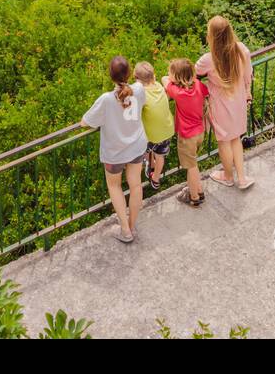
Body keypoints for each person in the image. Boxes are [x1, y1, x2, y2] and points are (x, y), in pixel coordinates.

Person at [80, 55, 147, 243]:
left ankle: (125, 231)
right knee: (135, 185)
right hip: (136, 146)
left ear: (111, 75)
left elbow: (86, 122)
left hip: (115, 152)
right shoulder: (139, 89)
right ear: (130, 72)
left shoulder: (106, 99)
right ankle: (132, 225)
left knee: (114, 186)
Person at [195, 16, 255, 190]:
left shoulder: (208, 59)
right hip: (238, 102)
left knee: (224, 142)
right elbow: (247, 75)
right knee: (235, 138)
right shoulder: (242, 50)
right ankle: (242, 178)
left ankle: (228, 176)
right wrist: (248, 92)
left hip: (220, 105)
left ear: (211, 36)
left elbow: (195, 73)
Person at [163, 57, 209, 206]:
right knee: (194, 162)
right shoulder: (198, 84)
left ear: (177, 77)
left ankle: (194, 197)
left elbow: (165, 81)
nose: (168, 75)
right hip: (200, 132)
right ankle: (199, 189)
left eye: (171, 73)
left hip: (187, 136)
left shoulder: (178, 93)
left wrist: (169, 80)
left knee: (191, 167)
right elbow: (205, 92)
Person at [134, 61, 174, 190]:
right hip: (167, 129)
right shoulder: (159, 86)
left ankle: (149, 163)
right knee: (160, 156)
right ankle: (156, 178)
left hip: (152, 135)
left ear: (137, 80)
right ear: (154, 76)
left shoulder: (142, 94)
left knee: (143, 148)